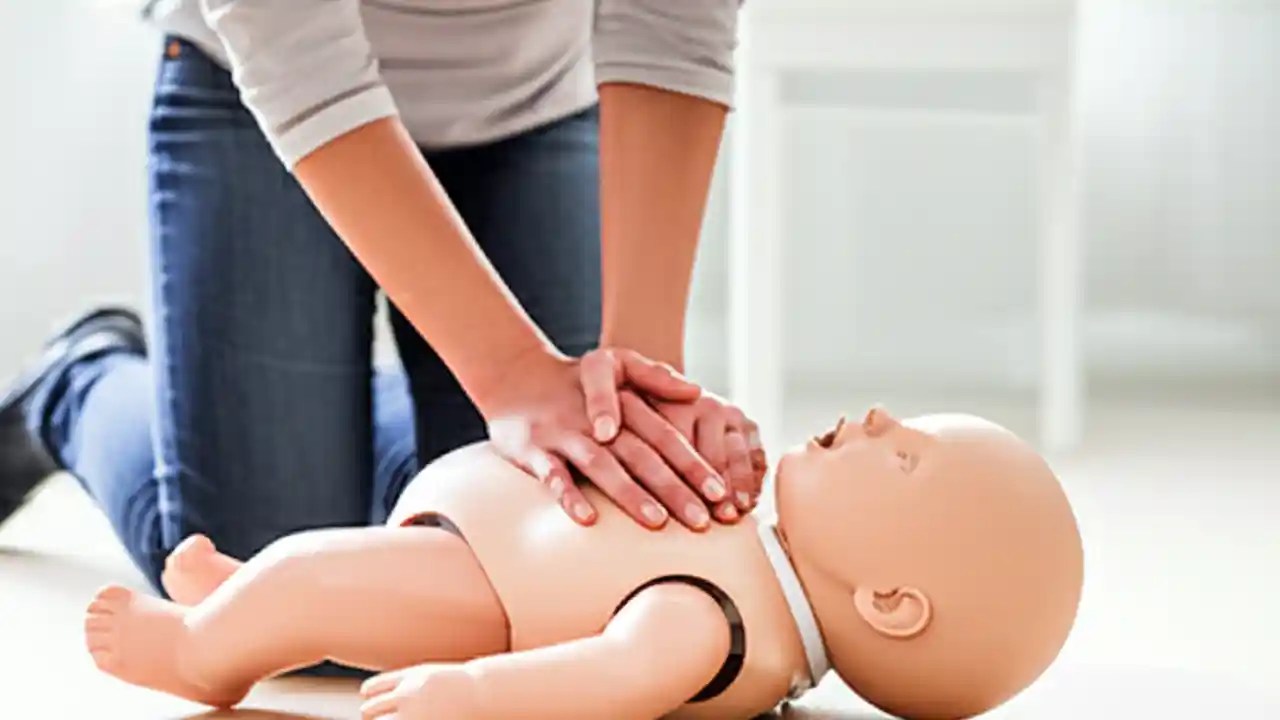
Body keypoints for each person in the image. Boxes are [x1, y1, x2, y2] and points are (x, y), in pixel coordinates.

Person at [0, 0, 764, 596]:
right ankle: (83, 375)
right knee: (262, 572)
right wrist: (505, 373)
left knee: (546, 540)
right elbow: (296, 48)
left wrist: (635, 386)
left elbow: (674, 22)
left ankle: (336, 406)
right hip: (261, 95)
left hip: (533, 103)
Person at [81, 406, 1085, 720]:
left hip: (490, 599)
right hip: (483, 544)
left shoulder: (713, 628)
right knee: (330, 580)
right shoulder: (771, 561)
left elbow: (609, 676)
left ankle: (205, 651)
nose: (874, 418)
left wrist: (474, 695)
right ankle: (261, 601)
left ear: (890, 602)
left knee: (312, 576)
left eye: (902, 456)